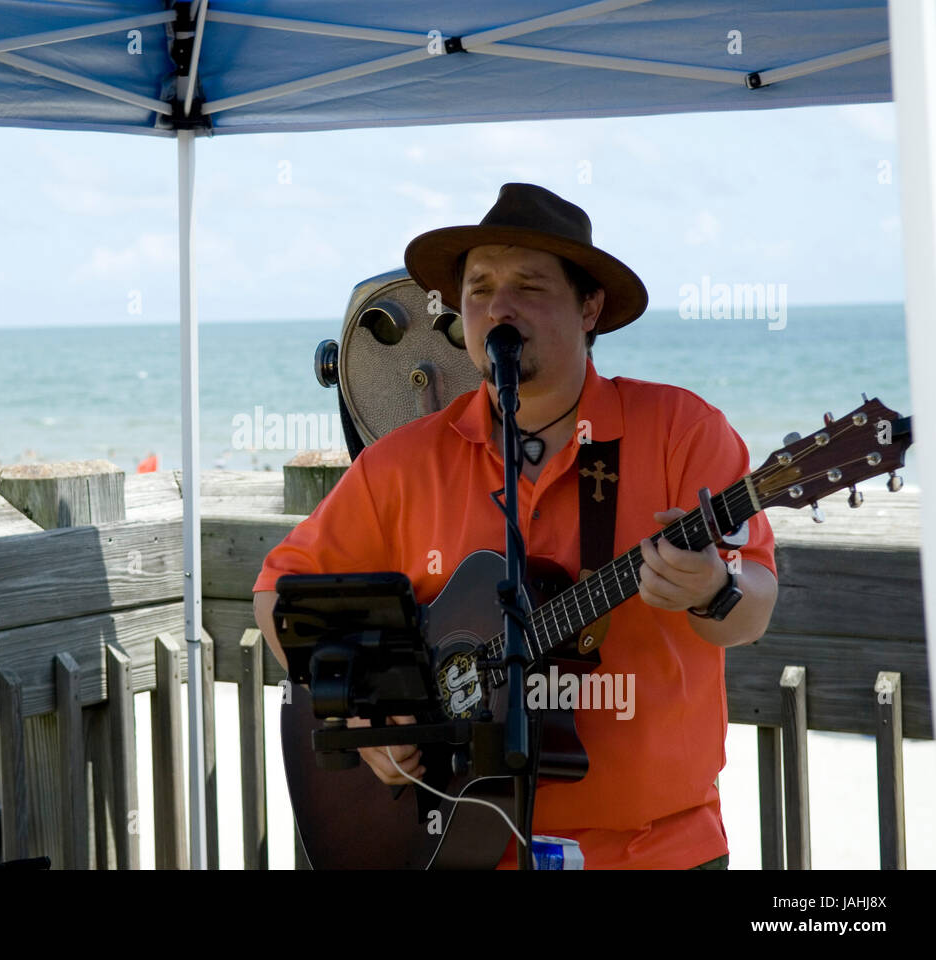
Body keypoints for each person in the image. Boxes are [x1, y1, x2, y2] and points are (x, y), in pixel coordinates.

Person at [251, 183, 778, 870]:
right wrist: (363, 714)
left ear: (590, 306)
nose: (498, 307)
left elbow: (753, 602)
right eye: (479, 290)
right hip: (459, 846)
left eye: (528, 286)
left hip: (658, 850)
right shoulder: (404, 462)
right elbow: (280, 592)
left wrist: (713, 588)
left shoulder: (682, 432)